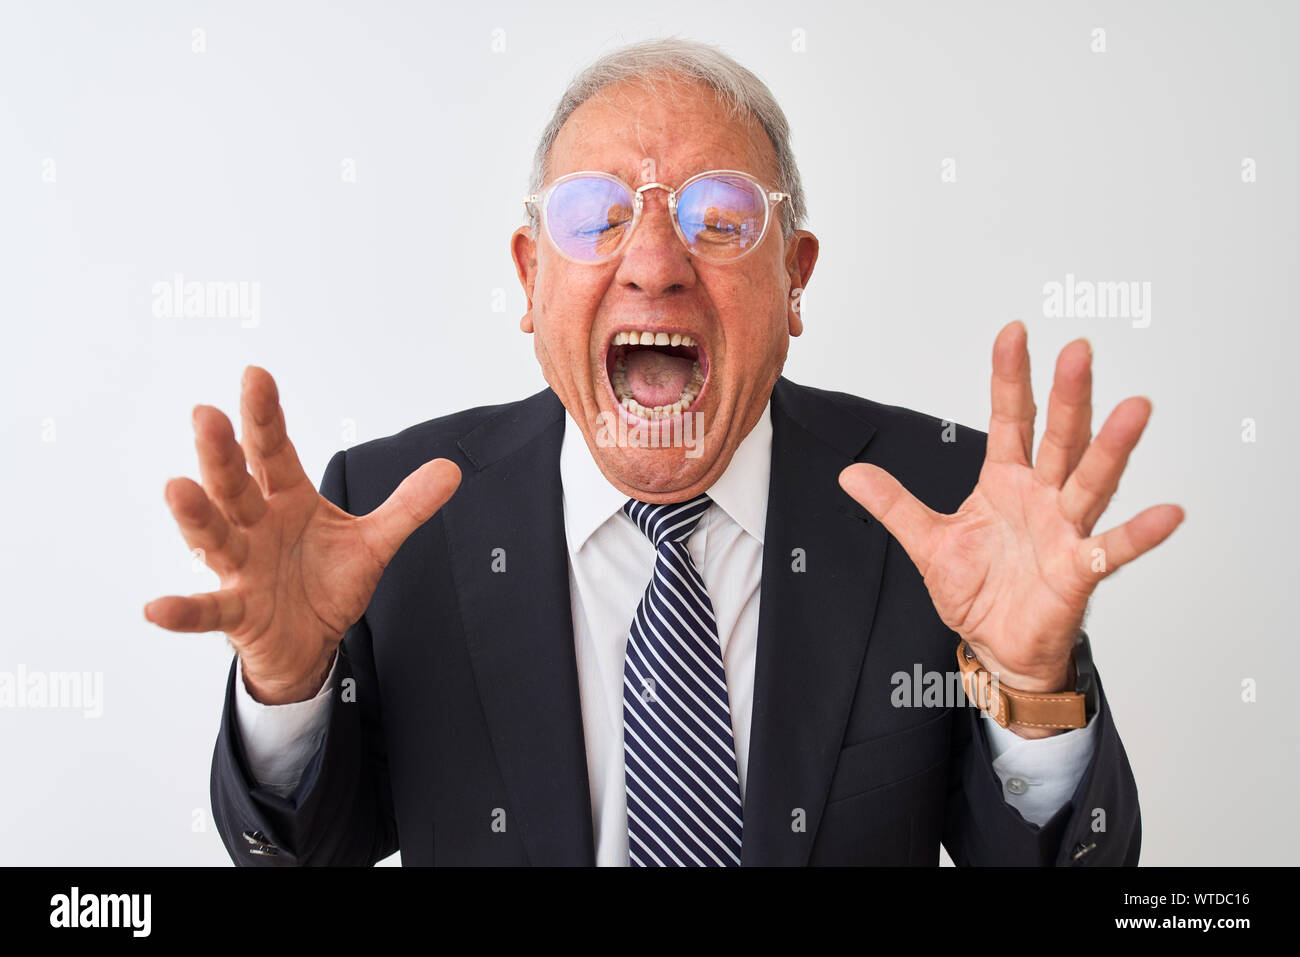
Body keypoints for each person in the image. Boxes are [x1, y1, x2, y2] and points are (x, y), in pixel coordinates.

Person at [144, 38, 1182, 866]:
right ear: (530, 276)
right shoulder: (384, 516)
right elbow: (301, 854)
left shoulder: (938, 507)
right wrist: (286, 686)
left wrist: (1027, 681)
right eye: (593, 216)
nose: (652, 262)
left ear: (794, 278)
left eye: (720, 218)